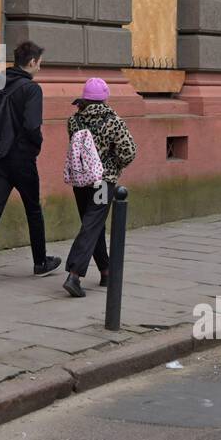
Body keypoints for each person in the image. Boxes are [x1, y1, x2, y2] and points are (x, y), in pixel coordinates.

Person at [0, 40, 62, 287]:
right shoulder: (31, 89)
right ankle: (40, 262)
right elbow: (32, 126)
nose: (40, 67)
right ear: (31, 62)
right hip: (21, 158)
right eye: (39, 62)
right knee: (33, 209)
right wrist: (34, 147)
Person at [61, 78, 137, 298]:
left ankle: (106, 271)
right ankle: (74, 275)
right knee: (92, 225)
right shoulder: (113, 121)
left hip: (80, 182)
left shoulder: (74, 120)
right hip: (103, 183)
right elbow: (129, 151)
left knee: (93, 225)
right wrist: (114, 166)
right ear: (104, 97)